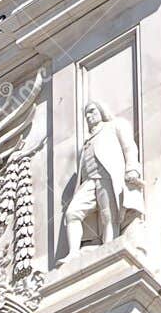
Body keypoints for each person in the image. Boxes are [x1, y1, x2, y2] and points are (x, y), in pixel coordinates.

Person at [62, 101, 144, 259]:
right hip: (89, 182)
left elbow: (129, 147)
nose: (88, 116)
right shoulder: (88, 141)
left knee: (109, 216)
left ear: (101, 110)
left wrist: (132, 168)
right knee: (72, 213)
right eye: (86, 114)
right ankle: (73, 253)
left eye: (92, 111)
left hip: (108, 177)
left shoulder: (115, 126)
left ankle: (109, 248)